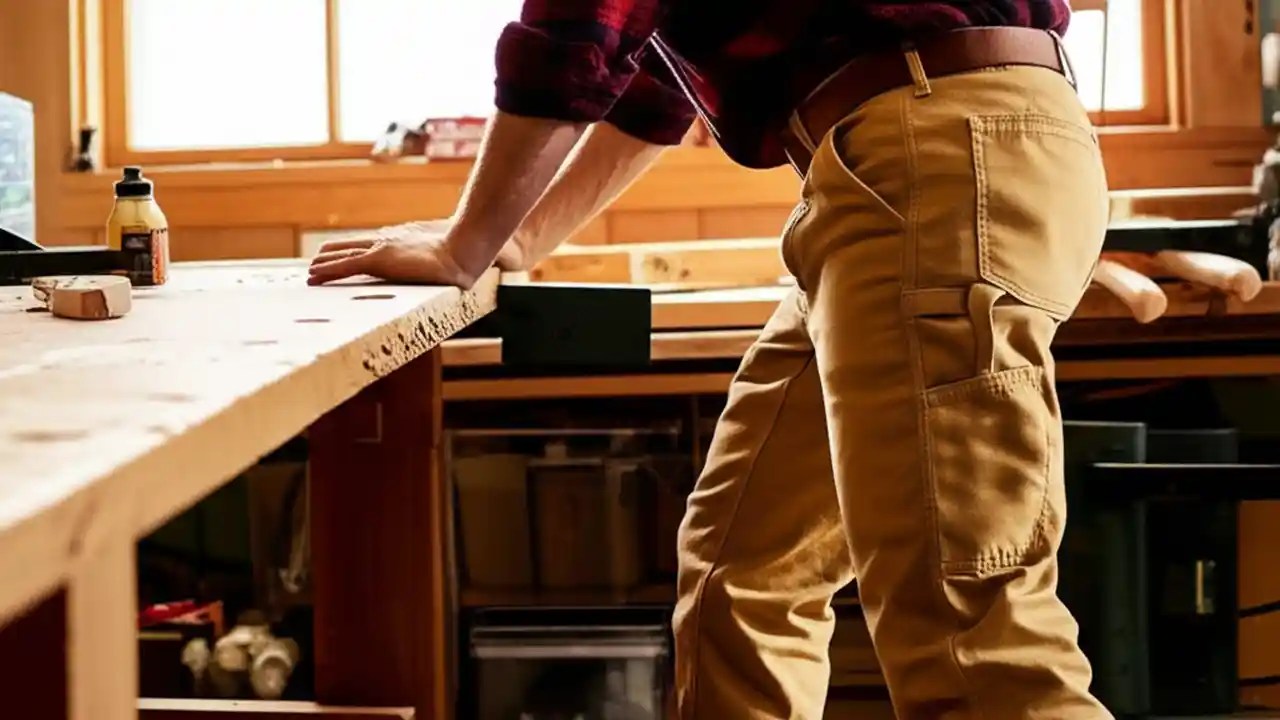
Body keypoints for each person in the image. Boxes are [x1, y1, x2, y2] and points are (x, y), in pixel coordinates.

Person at [308, 1, 1112, 717]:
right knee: (744, 574)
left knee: (966, 629)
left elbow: (579, 30)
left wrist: (466, 244)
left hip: (931, 151)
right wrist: (515, 238)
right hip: (897, 163)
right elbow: (656, 86)